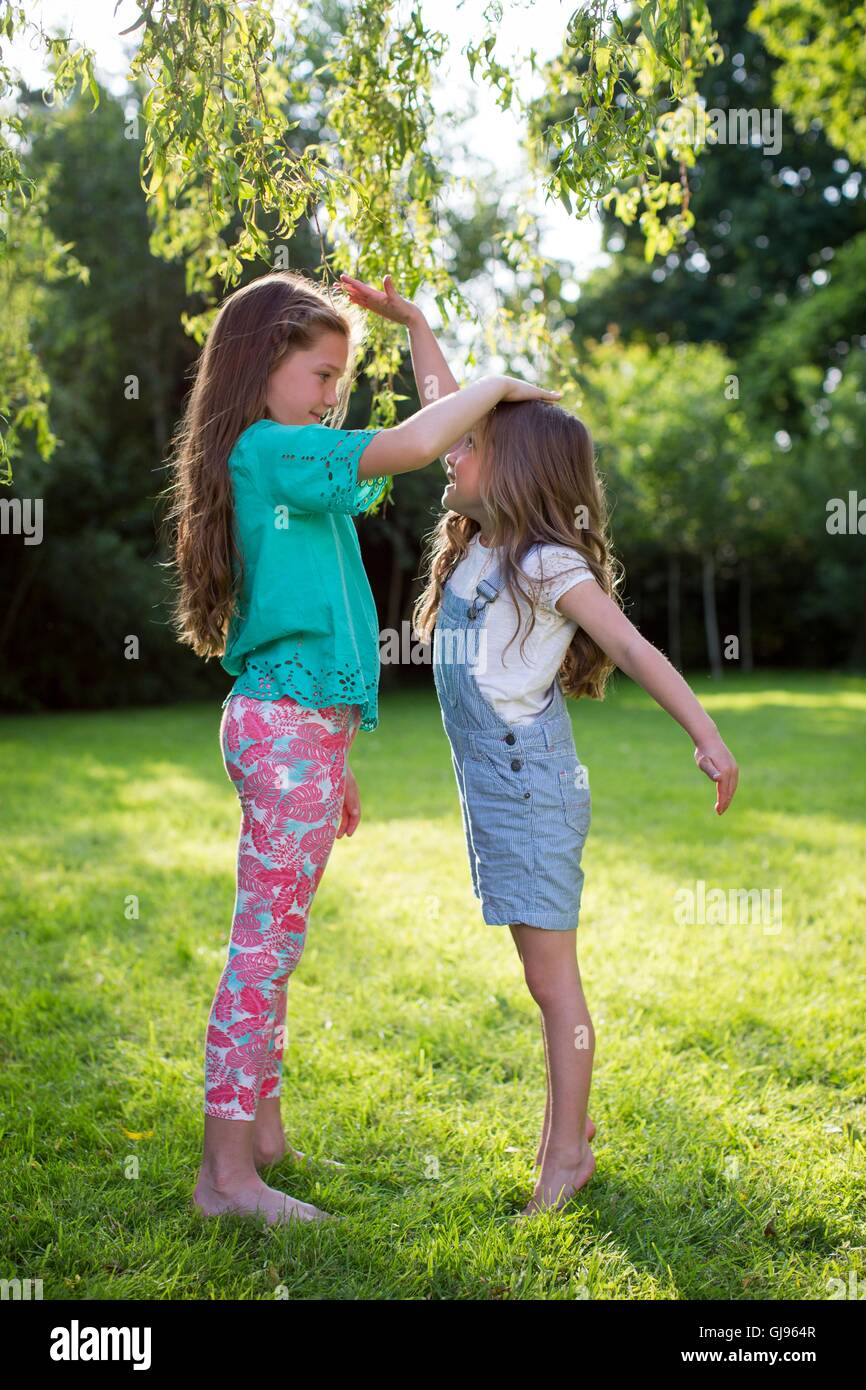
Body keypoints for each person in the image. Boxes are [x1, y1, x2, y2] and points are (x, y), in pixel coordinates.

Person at [160, 268, 563, 1226]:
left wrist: (420, 325)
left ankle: (262, 1141)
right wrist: (500, 382)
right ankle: (225, 1181)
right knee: (261, 953)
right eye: (322, 374)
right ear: (262, 366)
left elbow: (426, 439)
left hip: (301, 735)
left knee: (276, 946)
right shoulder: (273, 452)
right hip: (285, 730)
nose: (332, 395)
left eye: (340, 378)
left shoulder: (286, 460)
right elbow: (423, 443)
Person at [340, 272, 740, 1216]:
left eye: (470, 447)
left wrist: (707, 734)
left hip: (531, 790)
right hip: (501, 791)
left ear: (513, 471)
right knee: (539, 978)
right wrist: (415, 323)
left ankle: (566, 1155)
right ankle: (574, 1127)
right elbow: (443, 407)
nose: (448, 451)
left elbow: (632, 645)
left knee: (553, 987)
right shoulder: (479, 540)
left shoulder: (543, 561)